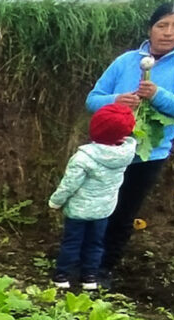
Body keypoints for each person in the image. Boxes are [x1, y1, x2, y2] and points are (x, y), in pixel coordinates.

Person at [85, 2, 174, 282]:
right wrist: (116, 100)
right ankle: (78, 259)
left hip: (147, 154)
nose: (168, 33)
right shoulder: (126, 61)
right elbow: (93, 99)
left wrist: (157, 94)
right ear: (150, 29)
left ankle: (102, 269)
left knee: (123, 211)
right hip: (106, 149)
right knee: (93, 206)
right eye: (162, 25)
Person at [48, 104, 138, 290]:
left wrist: (56, 201)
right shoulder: (124, 155)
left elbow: (69, 184)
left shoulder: (84, 158)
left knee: (72, 242)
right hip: (103, 210)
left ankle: (62, 275)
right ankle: (89, 277)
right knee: (95, 244)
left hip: (79, 210)